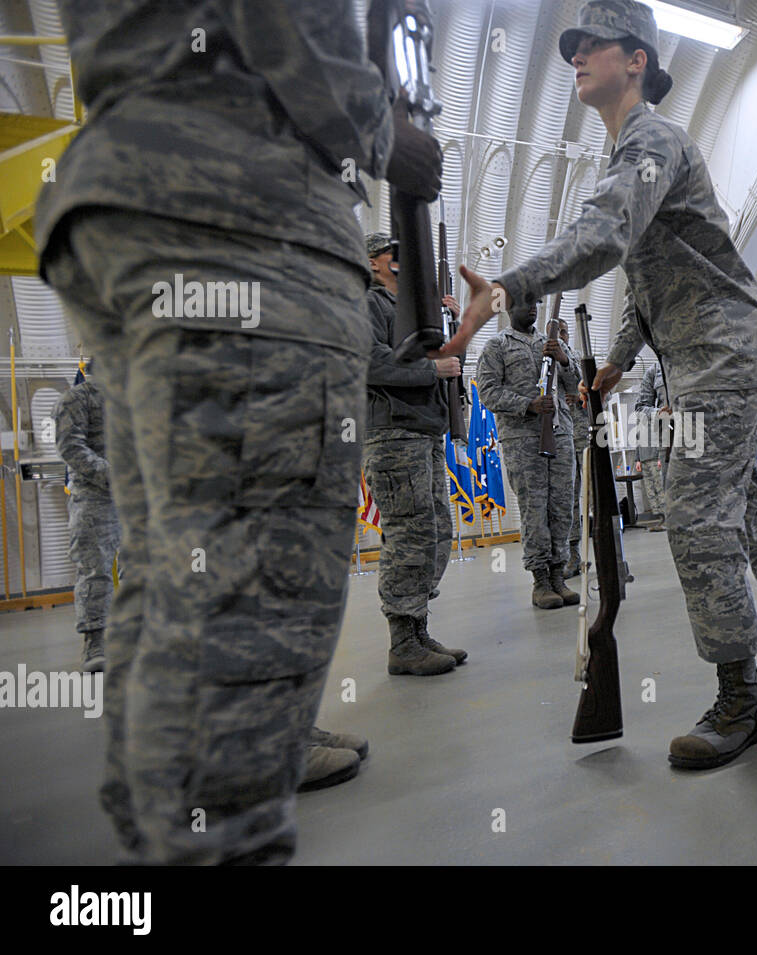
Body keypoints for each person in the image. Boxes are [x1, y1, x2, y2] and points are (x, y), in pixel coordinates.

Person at [36, 0, 441, 864]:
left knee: (175, 577)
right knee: (250, 603)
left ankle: (168, 827)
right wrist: (382, 131)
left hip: (132, 196)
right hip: (241, 218)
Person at [444, 0, 757, 768]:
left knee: (695, 512)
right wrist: (620, 358)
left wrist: (506, 288)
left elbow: (603, 236)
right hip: (700, 348)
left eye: (593, 44)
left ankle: (741, 699)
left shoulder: (651, 138)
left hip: (722, 347)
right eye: (572, 47)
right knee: (746, 495)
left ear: (637, 60)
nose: (576, 56)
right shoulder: (628, 151)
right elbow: (647, 279)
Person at [364, 232, 467, 674]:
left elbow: (451, 365)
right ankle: (402, 641)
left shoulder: (415, 311)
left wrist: (450, 327)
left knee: (436, 530)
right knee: (409, 534)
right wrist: (431, 368)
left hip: (426, 431)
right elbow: (366, 360)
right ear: (373, 263)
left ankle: (418, 625)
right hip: (394, 434)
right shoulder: (367, 304)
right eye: (395, 255)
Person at [476, 300, 581, 609]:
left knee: (561, 506)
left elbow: (575, 384)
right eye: (524, 303)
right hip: (522, 438)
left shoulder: (552, 342)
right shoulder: (497, 346)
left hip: (560, 434)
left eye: (536, 302)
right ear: (509, 307)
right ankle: (541, 581)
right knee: (534, 509)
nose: (532, 308)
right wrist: (528, 404)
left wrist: (563, 359)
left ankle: (559, 575)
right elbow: (487, 392)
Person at [54, 363, 120, 673]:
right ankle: (96, 641)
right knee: (95, 571)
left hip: (139, 498)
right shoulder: (76, 398)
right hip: (95, 498)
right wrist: (114, 475)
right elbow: (71, 447)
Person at [557, 318, 589, 576]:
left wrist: (580, 399)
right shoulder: (544, 365)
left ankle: (604, 548)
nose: (560, 337)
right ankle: (573, 554)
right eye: (555, 333)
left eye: (564, 332)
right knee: (568, 498)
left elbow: (604, 395)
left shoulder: (580, 359)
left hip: (587, 436)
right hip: (561, 438)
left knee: (595, 496)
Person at [632, 359, 669, 530]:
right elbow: (640, 407)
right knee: (659, 488)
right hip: (667, 440)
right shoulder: (654, 371)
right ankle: (664, 518)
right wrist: (658, 412)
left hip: (700, 431)